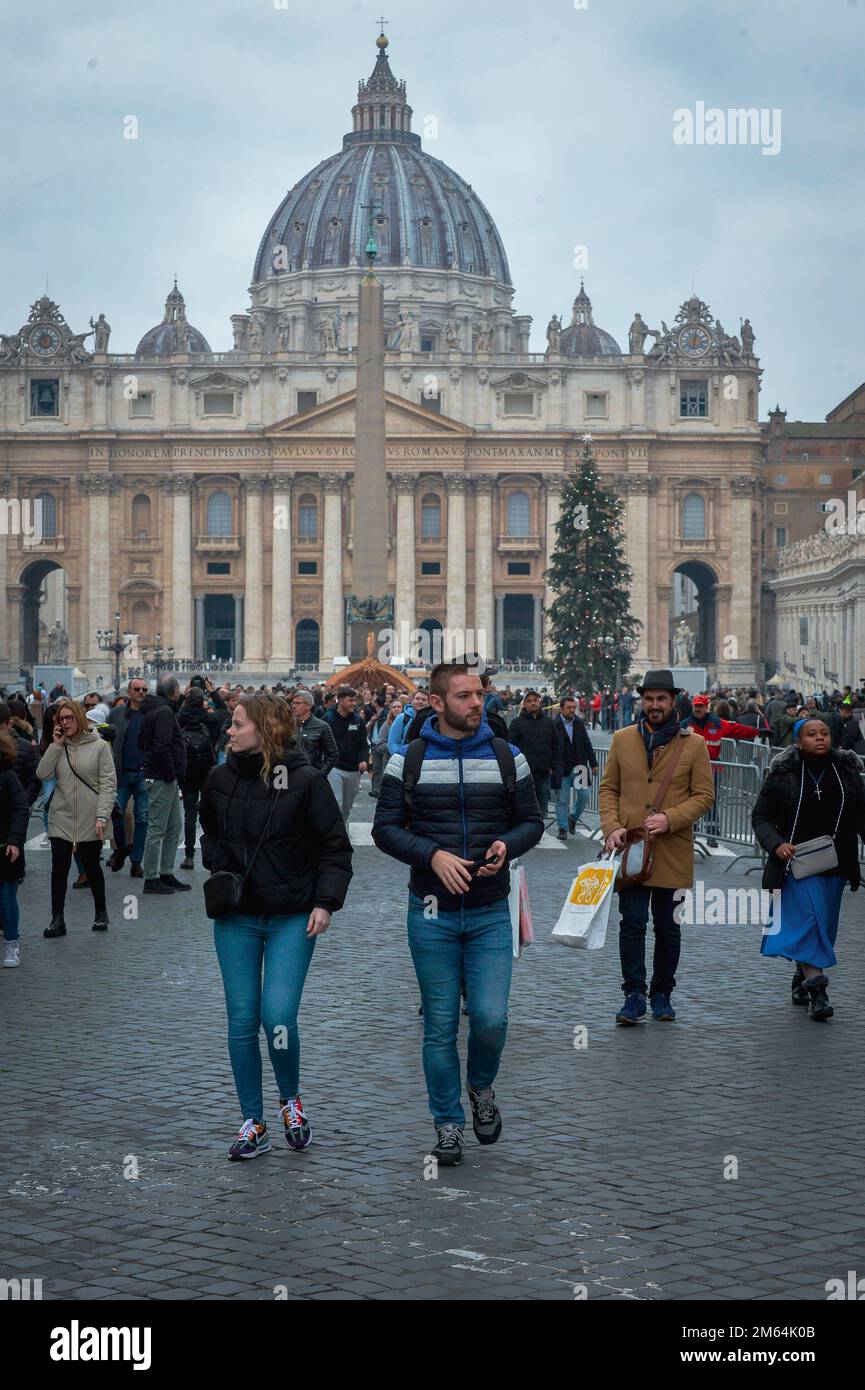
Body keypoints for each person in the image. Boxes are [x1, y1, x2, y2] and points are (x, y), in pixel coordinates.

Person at [372, 659, 544, 1167]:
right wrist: (432, 855)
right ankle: (447, 1124)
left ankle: (482, 1088)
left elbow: (532, 822)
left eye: (480, 694)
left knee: (490, 1019)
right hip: (431, 912)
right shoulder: (408, 761)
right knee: (441, 1024)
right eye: (467, 695)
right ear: (438, 701)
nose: (479, 703)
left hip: (491, 909)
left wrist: (505, 846)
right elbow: (385, 829)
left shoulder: (509, 757)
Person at [199, 694, 353, 1160]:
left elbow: (334, 847)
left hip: (290, 916)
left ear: (265, 730)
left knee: (278, 1016)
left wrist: (326, 903)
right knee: (242, 1021)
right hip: (237, 917)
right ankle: (253, 1121)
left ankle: (290, 1100)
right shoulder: (220, 778)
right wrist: (218, 864)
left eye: (238, 724)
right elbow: (207, 829)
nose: (228, 731)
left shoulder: (305, 782)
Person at [599, 670, 714, 1025]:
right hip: (631, 848)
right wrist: (611, 827)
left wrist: (671, 818)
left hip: (671, 849)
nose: (654, 705)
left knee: (667, 926)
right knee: (631, 923)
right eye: (648, 699)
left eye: (661, 699)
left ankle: (662, 993)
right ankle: (633, 994)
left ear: (673, 701)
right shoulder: (621, 739)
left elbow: (704, 796)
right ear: (641, 701)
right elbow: (608, 789)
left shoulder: (693, 745)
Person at [752, 717, 865, 1021]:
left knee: (823, 929)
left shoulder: (848, 772)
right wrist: (776, 844)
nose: (820, 739)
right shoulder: (784, 772)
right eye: (812, 734)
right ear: (798, 740)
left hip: (835, 864)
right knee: (810, 924)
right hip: (795, 865)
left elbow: (861, 816)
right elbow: (760, 817)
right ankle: (818, 992)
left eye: (825, 733)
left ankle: (801, 975)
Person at [35, 698, 117, 937]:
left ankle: (101, 912)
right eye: (62, 719)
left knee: (92, 866)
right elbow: (42, 773)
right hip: (61, 815)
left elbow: (108, 785)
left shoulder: (100, 746)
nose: (66, 722)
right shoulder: (58, 746)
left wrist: (102, 816)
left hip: (90, 816)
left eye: (70, 718)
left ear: (80, 719)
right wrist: (56, 745)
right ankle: (57, 918)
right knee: (59, 868)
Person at [681, 693, 761, 847]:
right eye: (695, 706)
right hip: (691, 769)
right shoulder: (685, 725)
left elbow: (737, 729)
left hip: (713, 768)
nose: (697, 708)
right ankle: (693, 832)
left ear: (706, 707)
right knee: (691, 800)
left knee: (711, 800)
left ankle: (712, 835)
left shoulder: (717, 723)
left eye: (700, 706)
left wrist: (757, 732)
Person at [139, 675, 190, 895]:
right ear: (173, 692)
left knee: (174, 826)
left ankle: (166, 872)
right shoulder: (164, 713)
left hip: (162, 775)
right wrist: (171, 774)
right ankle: (151, 877)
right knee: (157, 828)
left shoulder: (157, 709)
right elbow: (162, 747)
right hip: (161, 777)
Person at [107, 678, 151, 877]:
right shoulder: (116, 714)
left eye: (144, 689)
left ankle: (136, 861)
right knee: (115, 813)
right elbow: (105, 742)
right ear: (129, 691)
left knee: (142, 818)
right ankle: (121, 848)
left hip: (143, 774)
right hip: (121, 773)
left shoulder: (152, 714)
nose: (141, 692)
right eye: (137, 689)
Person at [177, 687, 220, 870]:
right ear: (203, 700)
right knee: (213, 812)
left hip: (188, 772)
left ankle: (189, 855)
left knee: (189, 815)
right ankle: (216, 851)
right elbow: (223, 709)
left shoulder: (178, 718)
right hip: (208, 771)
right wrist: (213, 691)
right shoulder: (210, 718)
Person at [507, 689, 560, 823]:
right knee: (524, 806)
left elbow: (556, 746)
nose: (533, 703)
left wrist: (552, 766)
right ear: (524, 704)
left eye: (535, 700)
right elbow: (510, 746)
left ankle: (538, 831)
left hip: (543, 772)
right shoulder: (517, 723)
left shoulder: (548, 723)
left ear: (540, 703)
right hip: (523, 772)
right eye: (529, 701)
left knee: (542, 806)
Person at [0, 728, 29, 967]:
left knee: (7, 898)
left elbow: (21, 808)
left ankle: (11, 943)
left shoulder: (7, 777)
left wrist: (14, 841)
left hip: (5, 848)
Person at [552, 694, 597, 842]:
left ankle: (573, 818)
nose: (572, 710)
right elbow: (549, 747)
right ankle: (563, 828)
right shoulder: (554, 724)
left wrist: (594, 763)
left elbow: (587, 743)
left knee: (584, 796)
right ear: (561, 709)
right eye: (569, 708)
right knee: (562, 800)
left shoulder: (579, 723)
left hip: (580, 767)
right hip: (561, 768)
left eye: (574, 707)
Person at [324, 686, 369, 821]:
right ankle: (334, 836)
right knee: (336, 803)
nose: (354, 704)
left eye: (355, 700)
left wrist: (363, 760)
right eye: (350, 700)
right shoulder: (328, 719)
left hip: (353, 769)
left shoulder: (358, 720)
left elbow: (363, 744)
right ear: (341, 701)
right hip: (334, 768)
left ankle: (341, 830)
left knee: (346, 807)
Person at [0, 701, 40, 807]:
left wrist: (22, 803)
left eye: (1, 728)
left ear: (10, 724)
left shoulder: (26, 747)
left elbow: (34, 781)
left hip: (16, 809)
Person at [291, 690, 339, 778]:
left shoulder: (322, 726)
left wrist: (320, 774)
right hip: (291, 775)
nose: (294, 706)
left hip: (311, 775)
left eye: (298, 703)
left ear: (308, 705)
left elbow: (333, 754)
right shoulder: (287, 725)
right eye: (293, 703)